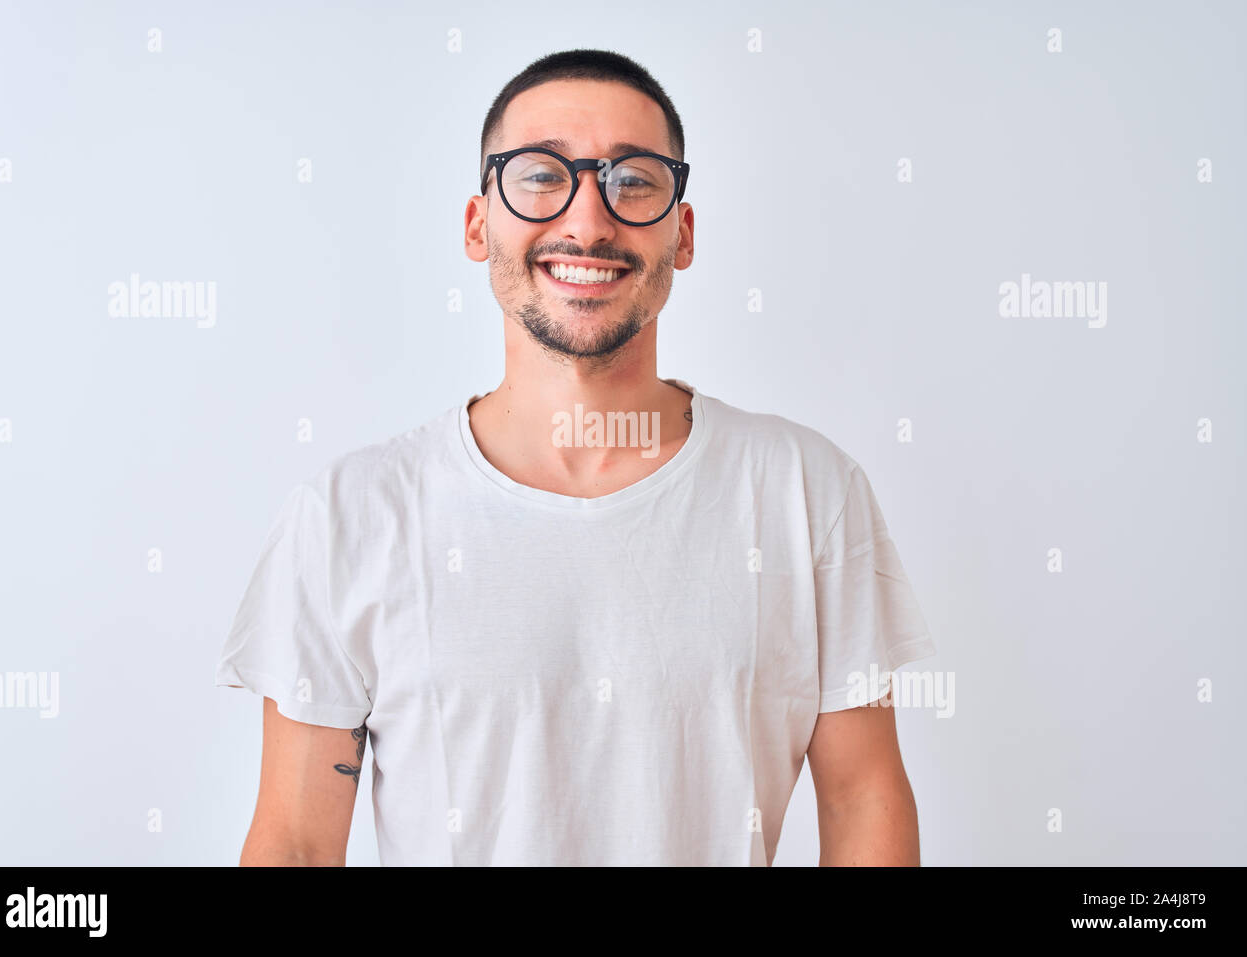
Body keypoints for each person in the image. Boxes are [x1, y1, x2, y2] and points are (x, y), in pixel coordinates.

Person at [215, 48, 937, 866]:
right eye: (539, 175)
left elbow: (863, 800)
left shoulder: (806, 491)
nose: (588, 221)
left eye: (633, 180)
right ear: (477, 223)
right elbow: (298, 843)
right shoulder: (349, 515)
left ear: (684, 231)